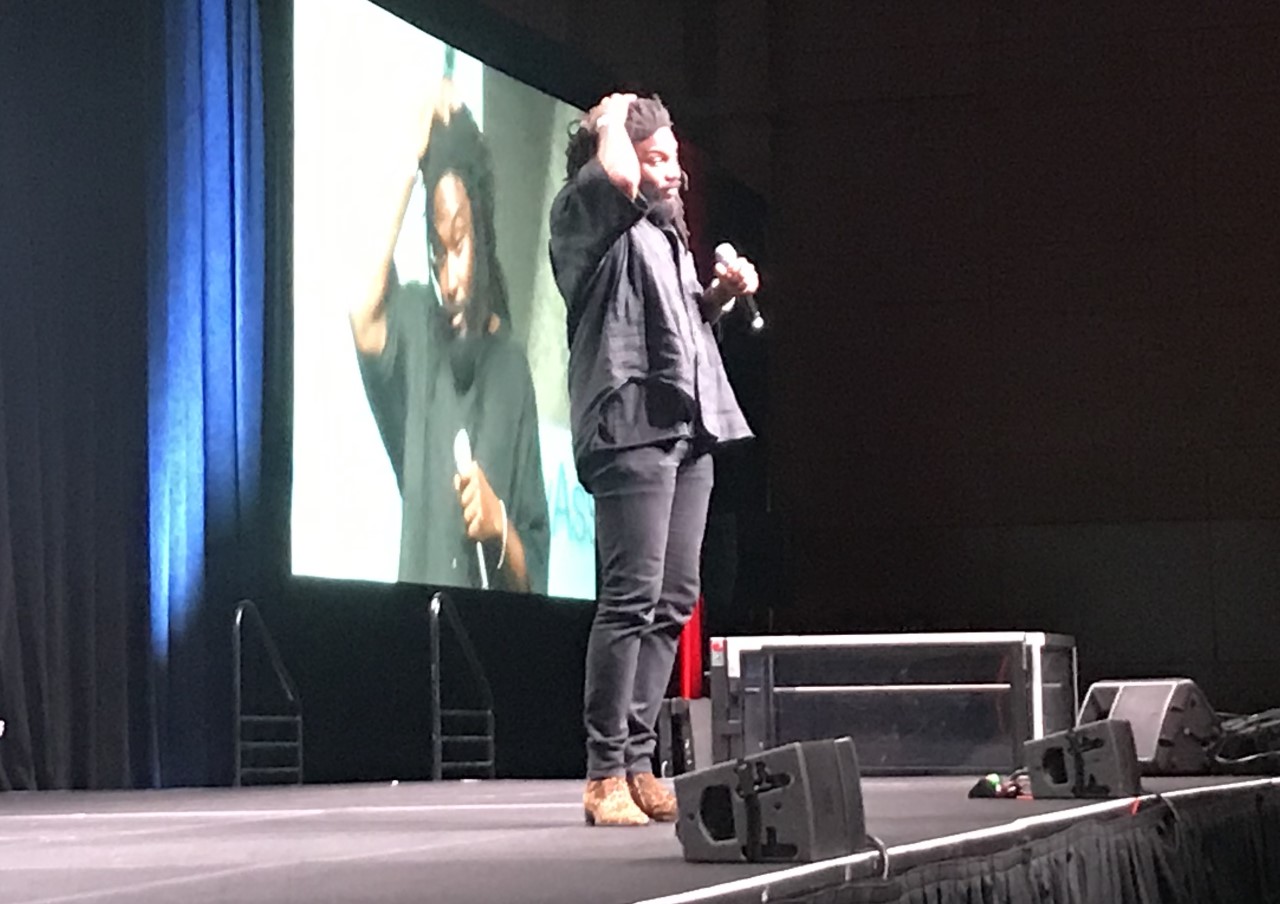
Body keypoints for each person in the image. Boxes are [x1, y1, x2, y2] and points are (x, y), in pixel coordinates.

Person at [549, 93, 759, 826]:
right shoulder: (587, 215)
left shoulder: (666, 233)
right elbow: (612, 175)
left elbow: (681, 331)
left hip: (687, 424)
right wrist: (608, 120)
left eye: (675, 158)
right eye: (658, 158)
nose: (676, 172)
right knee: (630, 598)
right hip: (631, 423)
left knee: (673, 599)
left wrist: (721, 297)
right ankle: (604, 770)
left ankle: (639, 763)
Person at [350, 82, 550, 594]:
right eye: (438, 253)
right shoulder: (417, 328)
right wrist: (410, 160)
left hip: (485, 639)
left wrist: (499, 524)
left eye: (458, 245)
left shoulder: (512, 369)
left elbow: (533, 577)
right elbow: (361, 310)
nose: (450, 279)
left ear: (481, 230)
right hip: (414, 631)